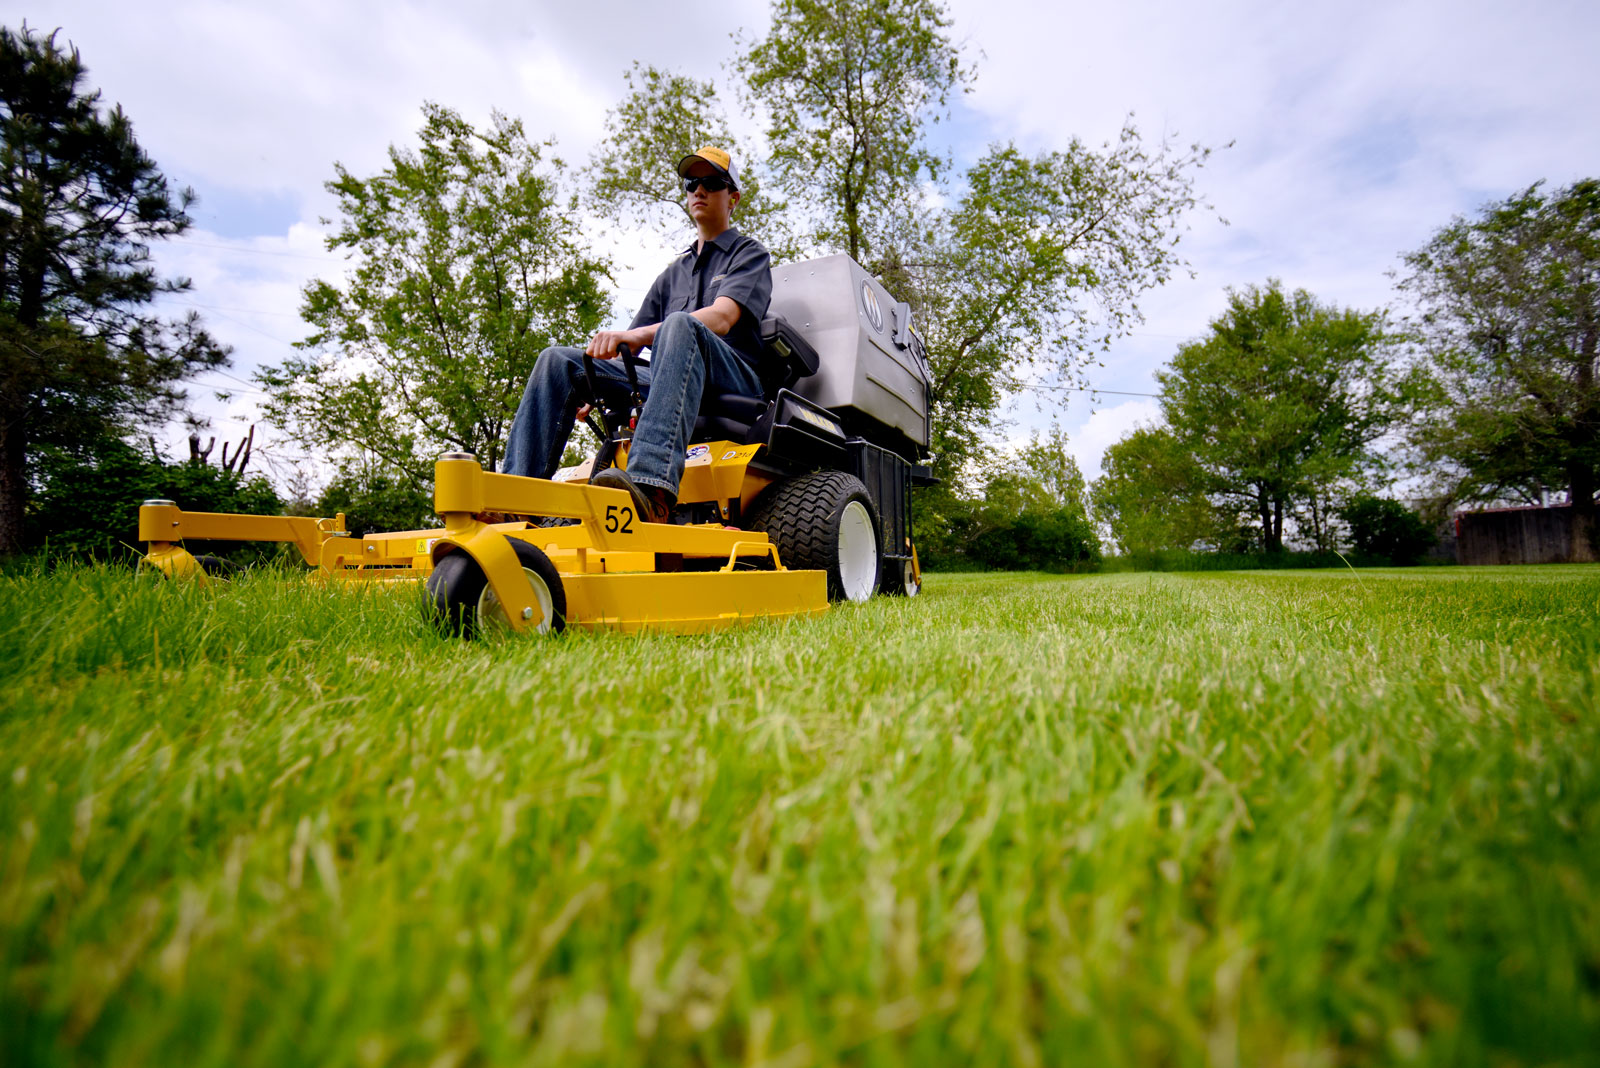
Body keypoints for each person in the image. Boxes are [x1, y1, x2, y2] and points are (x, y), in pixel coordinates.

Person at [501, 146, 772, 523]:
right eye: (692, 183)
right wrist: (595, 383)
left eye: (712, 183)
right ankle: (514, 500)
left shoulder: (749, 254)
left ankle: (649, 489)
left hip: (732, 380)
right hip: (670, 378)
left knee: (681, 325)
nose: (699, 190)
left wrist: (640, 336)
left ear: (733, 198)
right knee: (558, 362)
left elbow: (723, 317)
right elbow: (626, 349)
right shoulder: (673, 274)